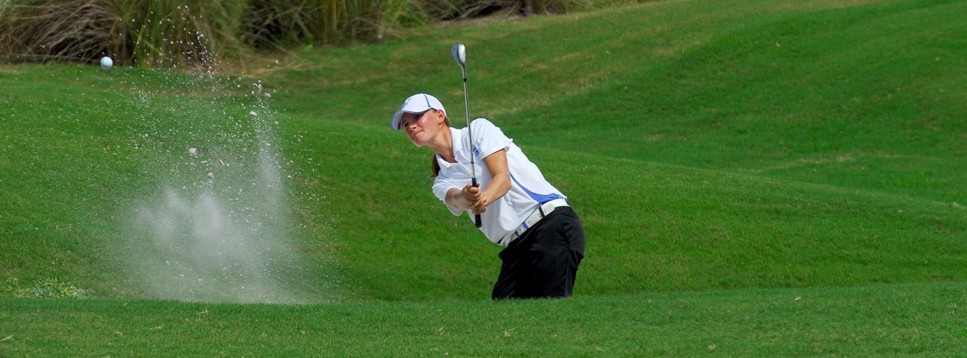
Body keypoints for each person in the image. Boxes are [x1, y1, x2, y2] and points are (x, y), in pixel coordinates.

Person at [390, 93, 586, 300]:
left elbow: (502, 179)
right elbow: (455, 200)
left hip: (549, 224)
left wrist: (483, 198)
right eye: (405, 124)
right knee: (504, 314)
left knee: (549, 311)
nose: (411, 126)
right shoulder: (441, 179)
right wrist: (466, 197)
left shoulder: (478, 130)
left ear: (440, 116)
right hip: (516, 246)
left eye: (417, 116)